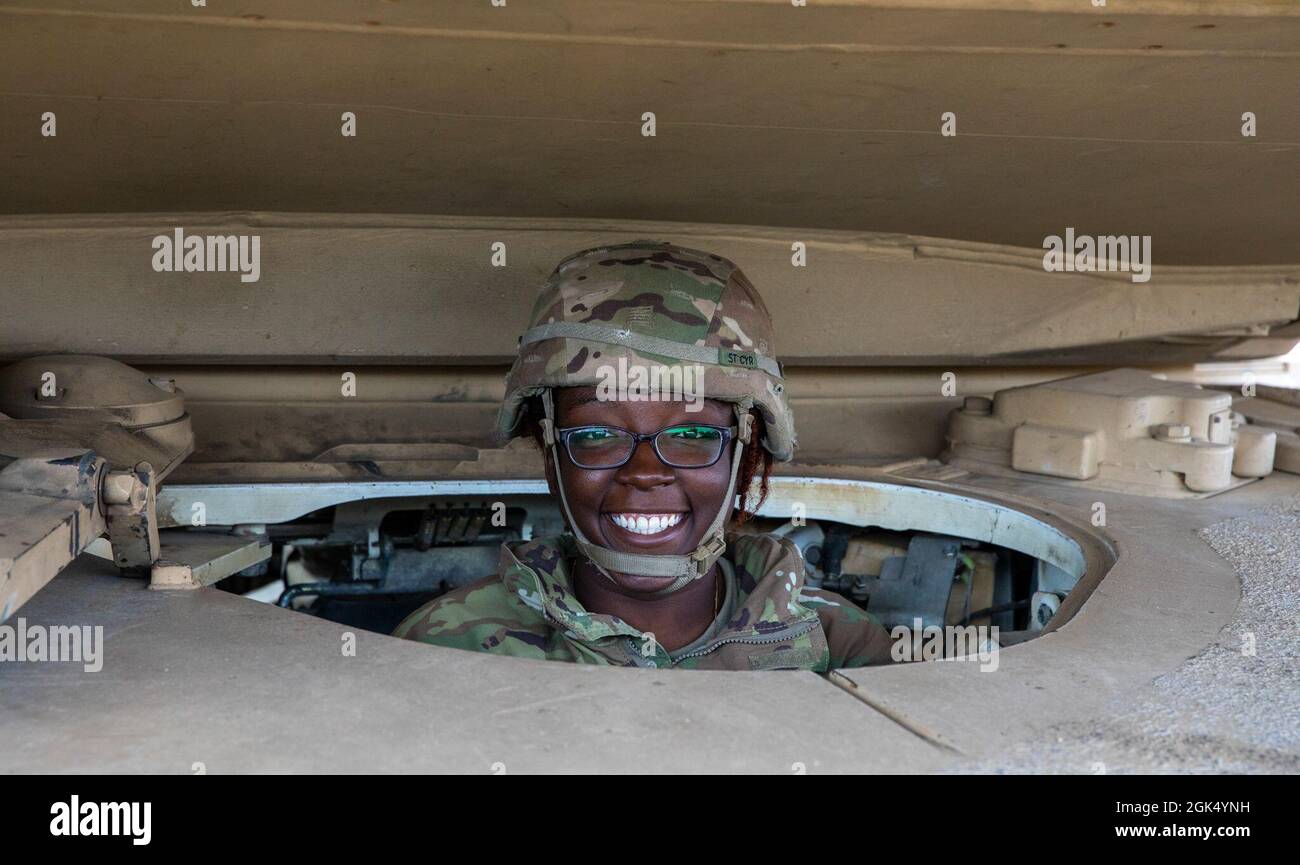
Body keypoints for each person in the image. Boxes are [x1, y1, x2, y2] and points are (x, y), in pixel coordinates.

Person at [394, 240, 893, 670]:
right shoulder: (445, 647)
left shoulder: (838, 643)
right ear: (550, 453)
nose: (646, 473)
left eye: (694, 434)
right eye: (596, 434)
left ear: (746, 451)